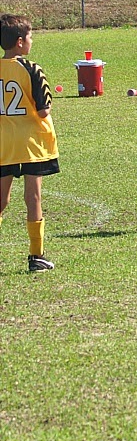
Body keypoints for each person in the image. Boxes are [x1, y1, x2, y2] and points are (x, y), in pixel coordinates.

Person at [0, 14, 59, 272]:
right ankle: (37, 256)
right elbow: (44, 110)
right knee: (33, 197)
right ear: (21, 42)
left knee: (1, 200)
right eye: (31, 36)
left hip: (4, 144)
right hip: (31, 144)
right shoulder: (31, 68)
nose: (32, 41)